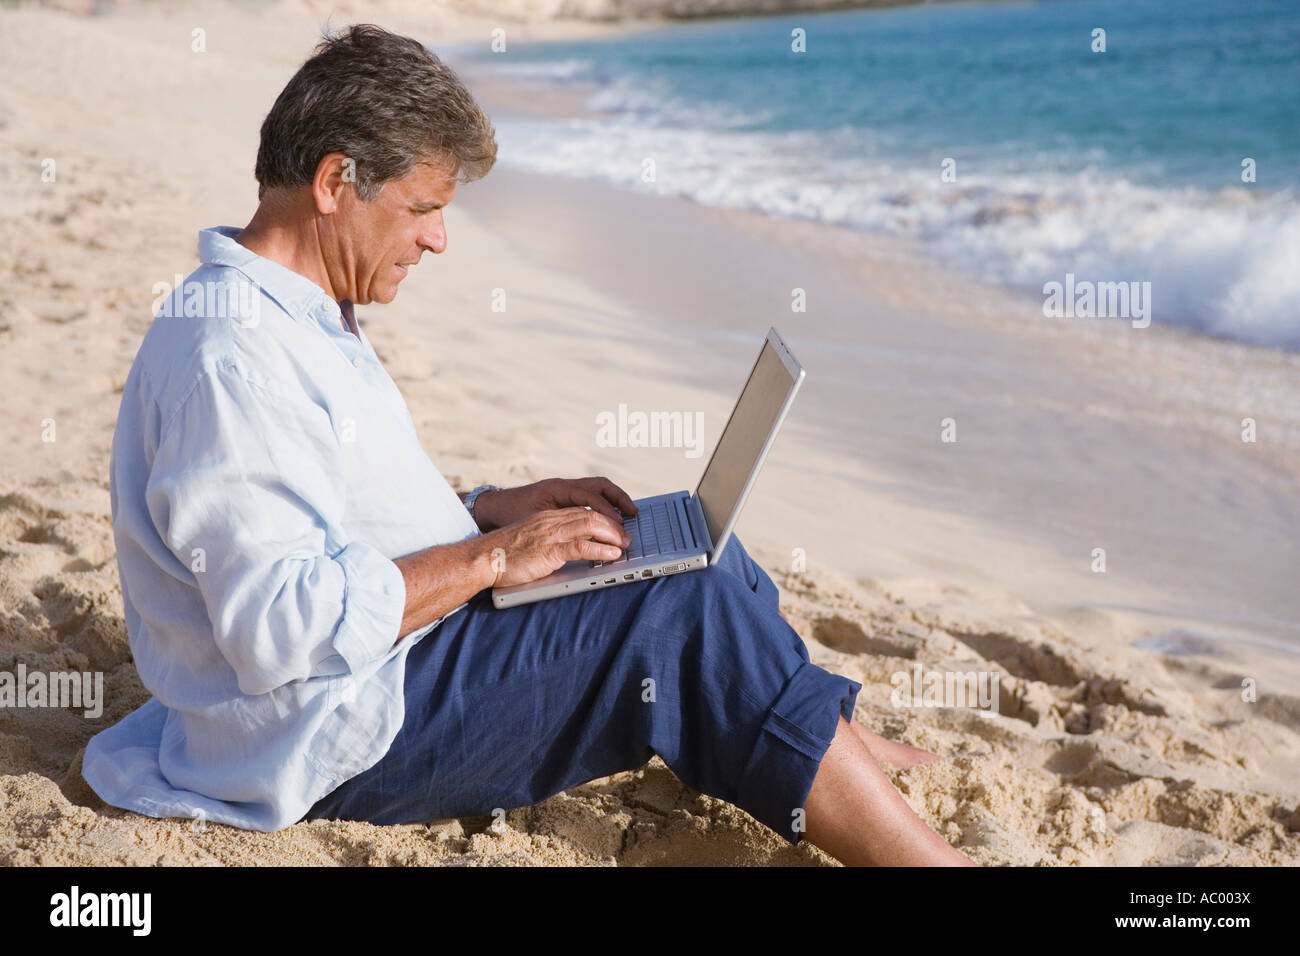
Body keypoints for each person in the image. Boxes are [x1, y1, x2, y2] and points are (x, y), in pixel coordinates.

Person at [81, 24, 973, 867]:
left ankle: (826, 745)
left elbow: (328, 511)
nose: (435, 238)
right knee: (680, 611)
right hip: (338, 733)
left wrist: (488, 511)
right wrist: (488, 558)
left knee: (695, 546)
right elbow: (279, 630)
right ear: (333, 182)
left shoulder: (298, 310)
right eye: (423, 208)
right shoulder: (233, 360)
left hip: (392, 661)